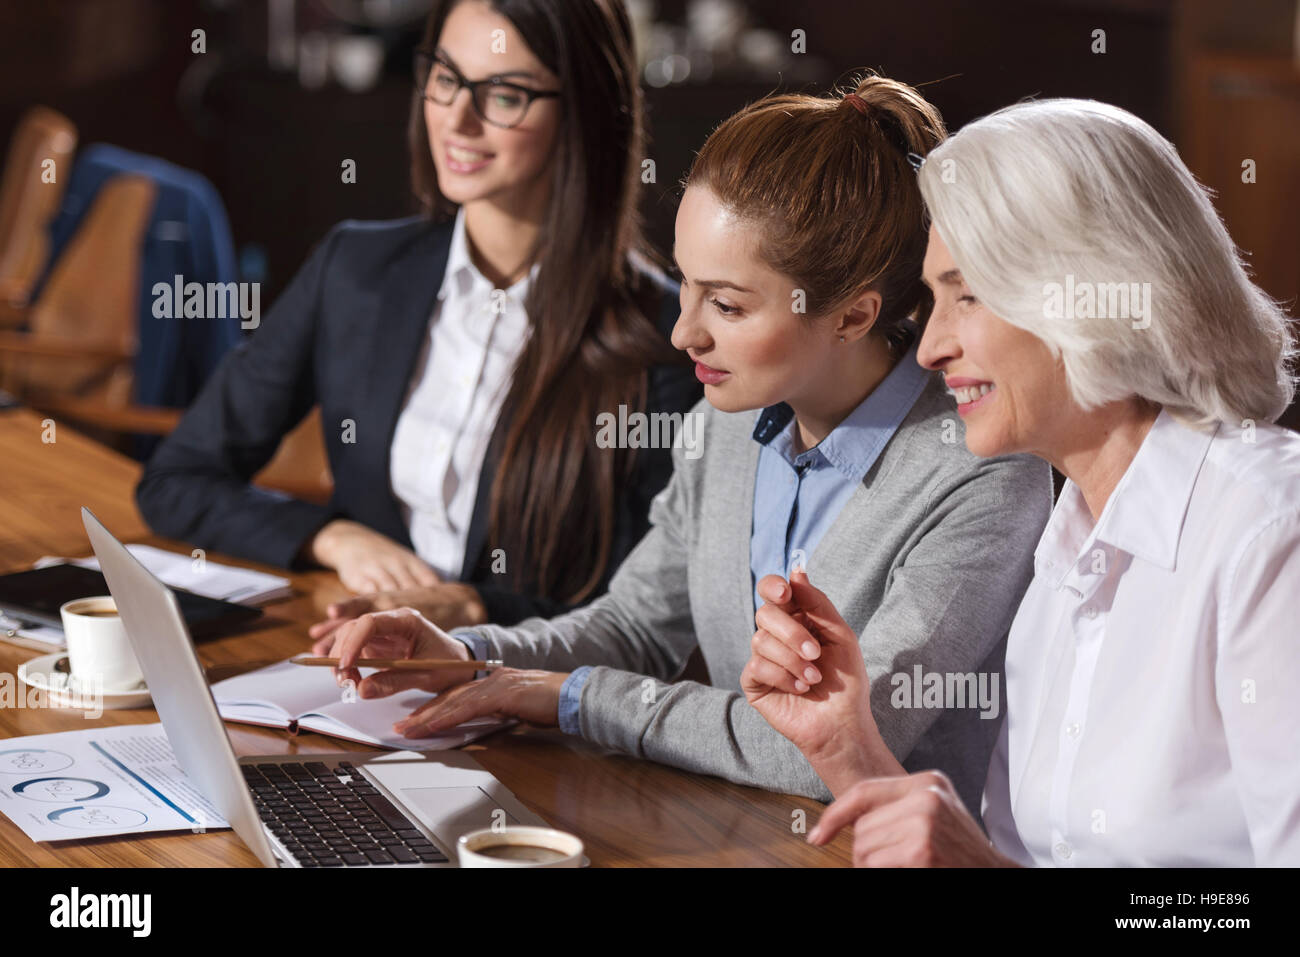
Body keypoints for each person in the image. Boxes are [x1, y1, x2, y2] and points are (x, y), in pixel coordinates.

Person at [316, 76, 1054, 814]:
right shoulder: (728, 420)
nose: (683, 333)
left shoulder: (981, 474)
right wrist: (469, 653)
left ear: (853, 315)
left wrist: (568, 698)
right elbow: (634, 625)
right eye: (686, 286)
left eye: (727, 304)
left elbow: (820, 745)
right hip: (732, 834)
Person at [742, 98, 1300, 866]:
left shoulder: (1270, 533)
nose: (931, 346)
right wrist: (849, 745)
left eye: (966, 293)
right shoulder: (1064, 546)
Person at [134, 0, 698, 629]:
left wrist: (478, 606)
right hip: (355, 670)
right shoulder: (356, 269)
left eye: (505, 95)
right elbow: (178, 479)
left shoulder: (669, 337)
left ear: (586, 112)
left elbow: (654, 622)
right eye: (447, 78)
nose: (457, 119)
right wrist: (335, 537)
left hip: (535, 705)